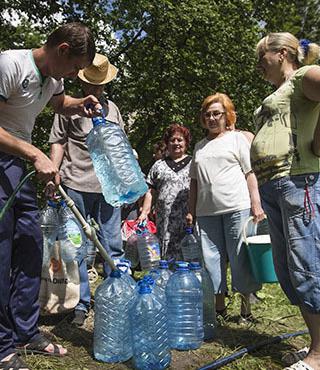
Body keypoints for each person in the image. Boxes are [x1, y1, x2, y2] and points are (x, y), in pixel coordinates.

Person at [252, 33, 320, 370]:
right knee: (289, 268)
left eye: (260, 57)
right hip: (278, 185)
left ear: (281, 53)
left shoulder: (300, 78)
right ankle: (318, 348)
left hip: (303, 180)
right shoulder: (282, 91)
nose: (257, 66)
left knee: (308, 261)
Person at [0, 22, 98, 368]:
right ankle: (2, 345)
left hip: (21, 165)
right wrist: (34, 153)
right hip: (5, 161)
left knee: (30, 246)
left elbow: (61, 102)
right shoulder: (10, 64)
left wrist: (79, 103)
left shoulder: (53, 80)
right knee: (2, 252)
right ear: (62, 51)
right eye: (75, 67)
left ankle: (26, 330)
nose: (74, 75)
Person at [47, 53, 124, 327]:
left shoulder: (113, 109)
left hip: (109, 189)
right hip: (74, 186)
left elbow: (120, 149)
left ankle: (117, 298)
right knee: (75, 247)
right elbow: (58, 142)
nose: (95, 88)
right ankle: (80, 303)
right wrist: (52, 175)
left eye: (99, 84)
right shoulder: (68, 106)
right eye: (91, 83)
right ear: (83, 82)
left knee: (113, 245)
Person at [186, 93, 265, 322]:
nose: (211, 118)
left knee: (240, 258)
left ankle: (245, 311)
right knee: (211, 261)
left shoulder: (236, 139)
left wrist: (256, 204)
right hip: (206, 212)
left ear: (227, 115)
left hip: (236, 207)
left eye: (216, 114)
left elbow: (250, 174)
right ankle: (219, 309)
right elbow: (194, 182)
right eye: (207, 114)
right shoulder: (200, 147)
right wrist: (191, 210)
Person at [138, 124, 192, 260]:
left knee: (188, 252)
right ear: (167, 144)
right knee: (165, 252)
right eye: (172, 140)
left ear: (186, 142)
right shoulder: (158, 165)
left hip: (188, 218)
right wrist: (145, 212)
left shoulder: (194, 163)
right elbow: (150, 191)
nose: (176, 143)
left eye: (179, 140)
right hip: (164, 219)